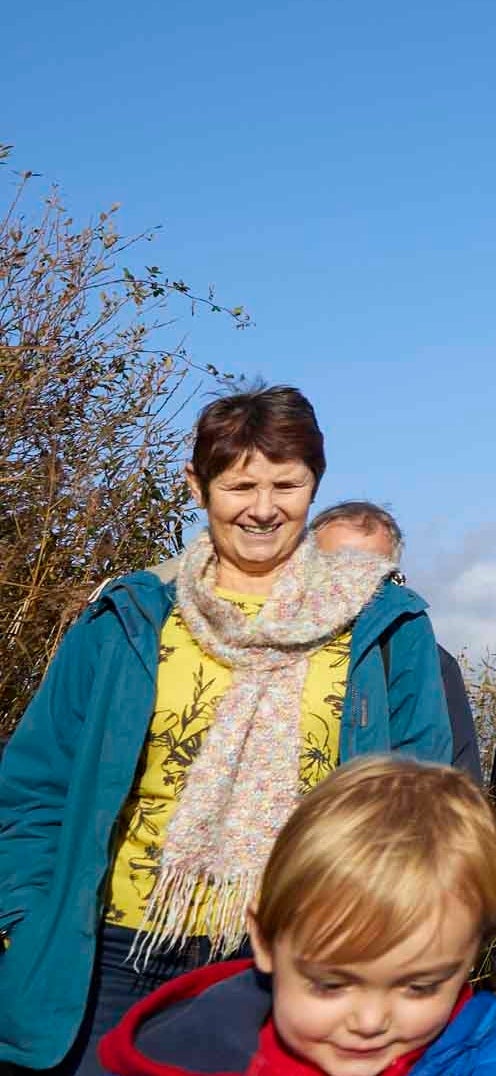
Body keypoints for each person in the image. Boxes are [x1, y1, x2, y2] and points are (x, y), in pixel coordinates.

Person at [0, 387, 455, 1076]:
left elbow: (424, 804)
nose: (264, 508)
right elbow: (38, 782)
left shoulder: (384, 624)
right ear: (197, 485)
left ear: (315, 484)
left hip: (301, 959)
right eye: (240, 486)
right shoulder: (130, 616)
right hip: (111, 954)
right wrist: (25, 916)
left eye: (287, 485)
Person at [80, 755, 496, 1076]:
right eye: (331, 985)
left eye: (420, 987)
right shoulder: (188, 1051)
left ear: (471, 952)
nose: (370, 1021)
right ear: (265, 940)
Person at [307, 505, 484, 784]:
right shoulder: (271, 638)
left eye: (370, 571)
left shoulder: (420, 653)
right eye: (332, 566)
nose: (350, 582)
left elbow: (438, 763)